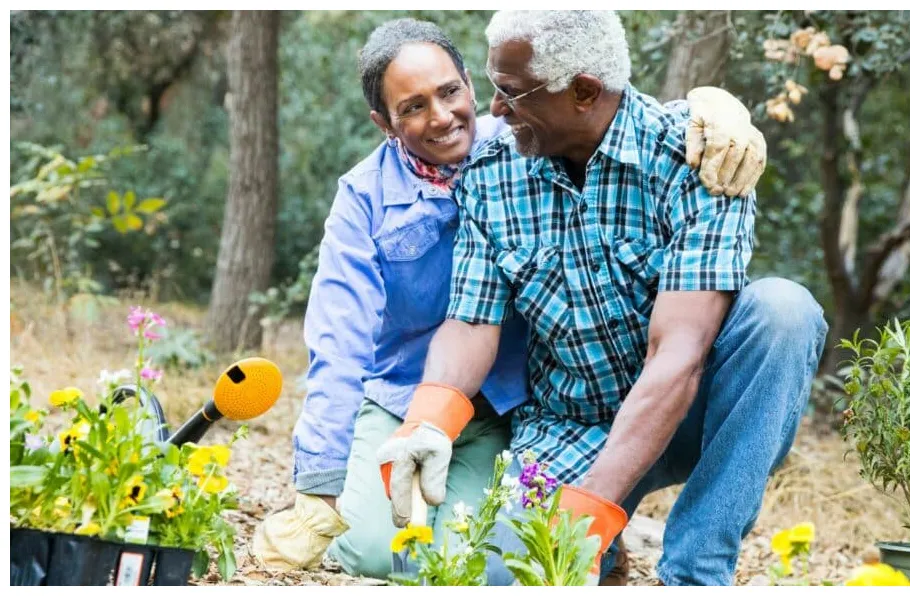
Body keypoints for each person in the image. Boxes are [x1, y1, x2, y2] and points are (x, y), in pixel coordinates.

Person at [252, 16, 768, 581]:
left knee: (782, 314)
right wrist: (330, 482)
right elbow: (349, 342)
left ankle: (691, 573)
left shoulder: (673, 157)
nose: (456, 115)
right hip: (458, 402)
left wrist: (719, 105)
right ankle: (590, 539)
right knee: (439, 557)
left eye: (454, 92)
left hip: (591, 401)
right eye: (413, 107)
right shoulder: (438, 181)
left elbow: (607, 105)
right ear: (384, 123)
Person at [376, 11, 827, 586]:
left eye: (511, 93)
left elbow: (678, 356)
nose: (493, 111)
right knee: (475, 572)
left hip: (690, 411)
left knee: (783, 311)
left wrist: (586, 516)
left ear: (584, 91)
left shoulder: (698, 160)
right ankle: (606, 549)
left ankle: (695, 570)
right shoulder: (491, 174)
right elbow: (470, 322)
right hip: (569, 425)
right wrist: (429, 422)